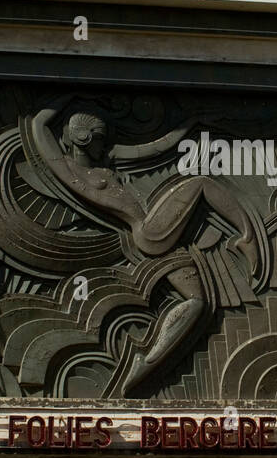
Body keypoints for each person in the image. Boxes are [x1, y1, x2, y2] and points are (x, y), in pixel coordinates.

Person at [29, 97, 261, 393]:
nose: (105, 146)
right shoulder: (72, 173)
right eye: (100, 139)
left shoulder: (104, 165)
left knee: (197, 303)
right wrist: (66, 93)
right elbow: (38, 126)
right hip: (149, 233)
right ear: (83, 138)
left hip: (155, 236)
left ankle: (146, 365)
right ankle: (246, 236)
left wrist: (190, 123)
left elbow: (155, 148)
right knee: (200, 183)